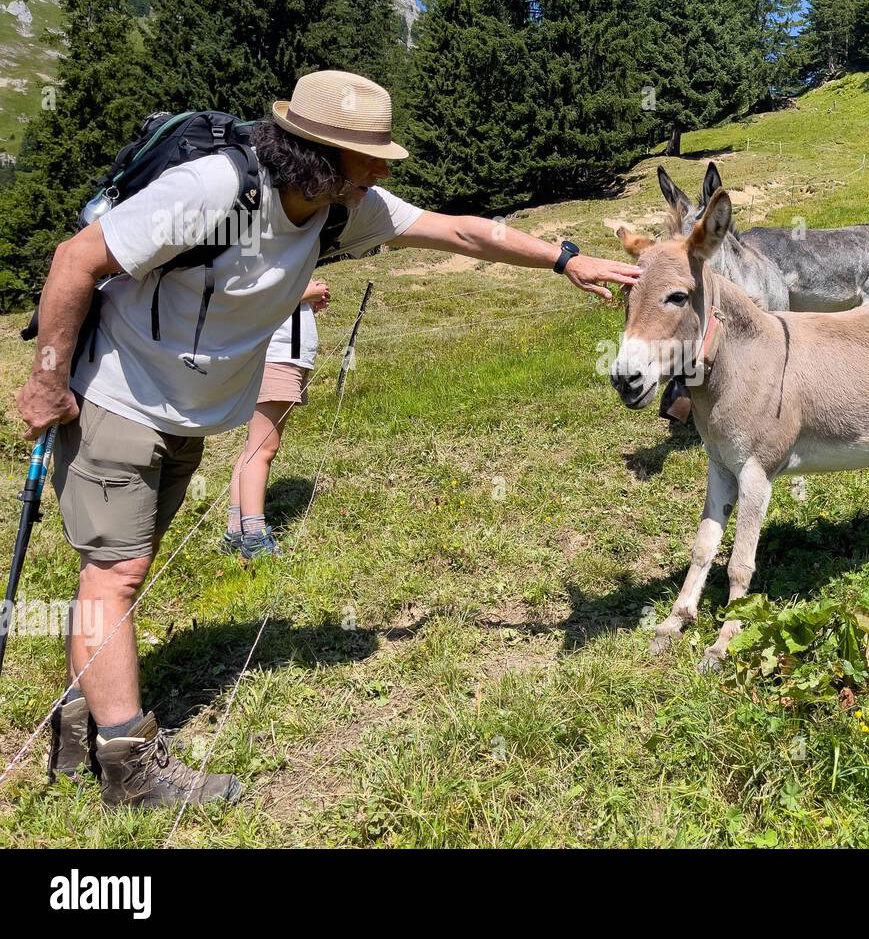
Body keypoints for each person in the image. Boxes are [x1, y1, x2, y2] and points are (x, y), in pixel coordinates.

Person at [16, 70, 640, 808]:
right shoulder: (216, 189)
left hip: (185, 412)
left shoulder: (345, 208)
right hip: (116, 393)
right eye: (371, 154)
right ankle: (131, 769)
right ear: (318, 154)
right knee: (115, 572)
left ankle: (79, 725)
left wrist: (566, 258)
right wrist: (48, 381)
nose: (383, 167)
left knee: (118, 574)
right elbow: (75, 259)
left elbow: (460, 230)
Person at [220, 278, 330, 559]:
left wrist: (304, 302)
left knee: (253, 447)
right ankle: (254, 537)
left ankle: (236, 531)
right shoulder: (267, 256)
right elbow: (260, 295)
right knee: (263, 449)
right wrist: (306, 291)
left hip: (283, 356)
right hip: (277, 358)